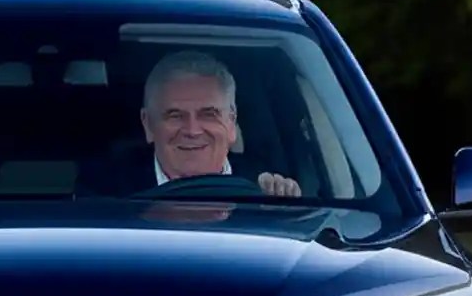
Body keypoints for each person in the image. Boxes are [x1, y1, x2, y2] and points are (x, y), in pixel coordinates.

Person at [75, 50, 302, 197]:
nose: (192, 130)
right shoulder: (104, 192)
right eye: (175, 115)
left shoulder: (266, 191)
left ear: (232, 122)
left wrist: (286, 206)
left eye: (208, 114)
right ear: (148, 125)